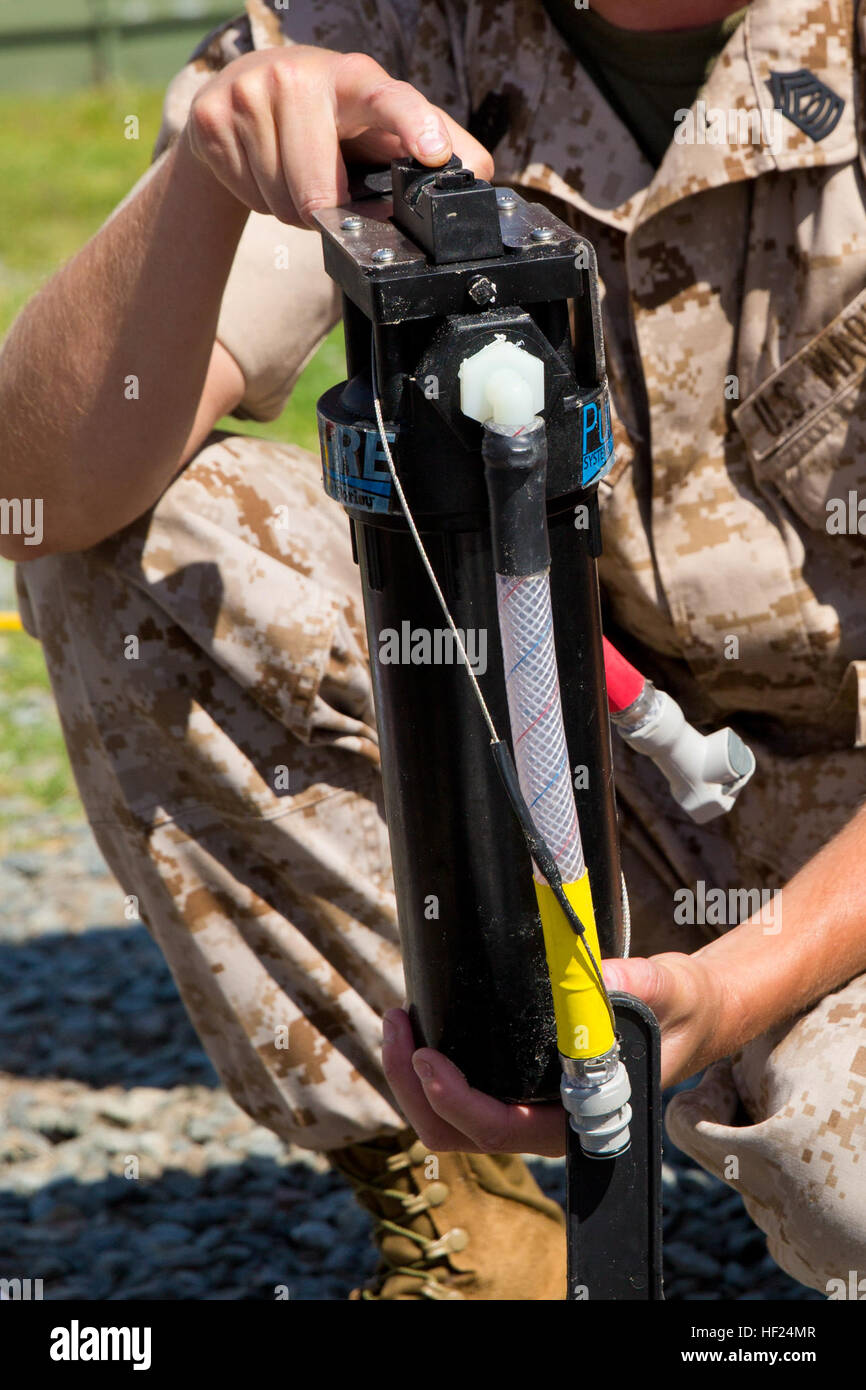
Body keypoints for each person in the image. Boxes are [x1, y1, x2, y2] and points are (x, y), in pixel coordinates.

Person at [2, 0, 865, 1300]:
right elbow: (38, 496)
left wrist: (732, 990)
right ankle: (475, 1203)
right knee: (153, 547)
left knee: (846, 1188)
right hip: (575, 754)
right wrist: (203, 184)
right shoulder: (394, 29)